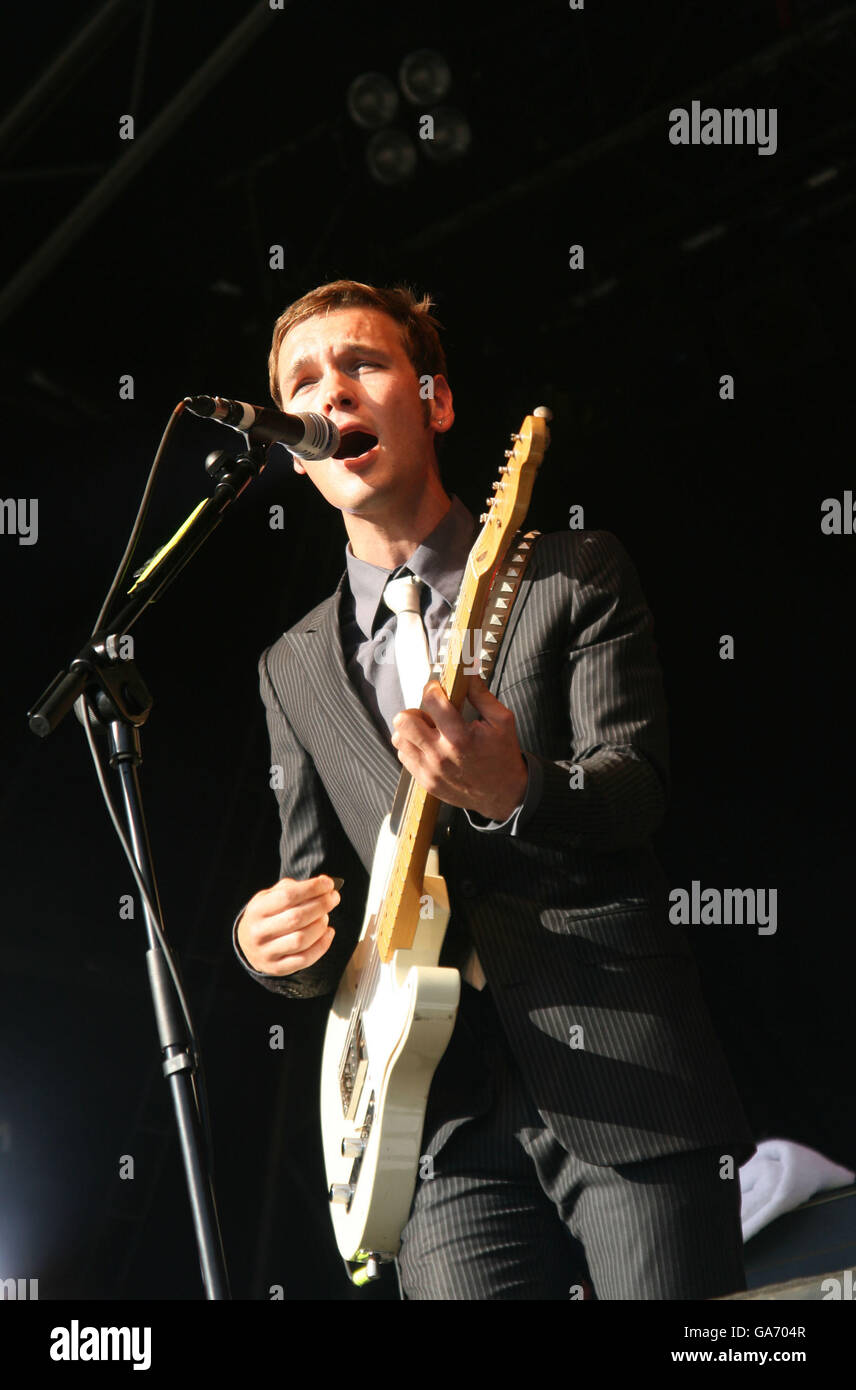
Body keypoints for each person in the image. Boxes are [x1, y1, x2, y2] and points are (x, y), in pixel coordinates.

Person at [233, 279, 756, 1300]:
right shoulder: (288, 667)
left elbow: (637, 791)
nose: (330, 394)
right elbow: (327, 901)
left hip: (624, 1074)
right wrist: (276, 950)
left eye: (362, 364)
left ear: (434, 402)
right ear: (293, 446)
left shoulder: (572, 570)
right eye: (303, 384)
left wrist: (515, 788)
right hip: (435, 1129)